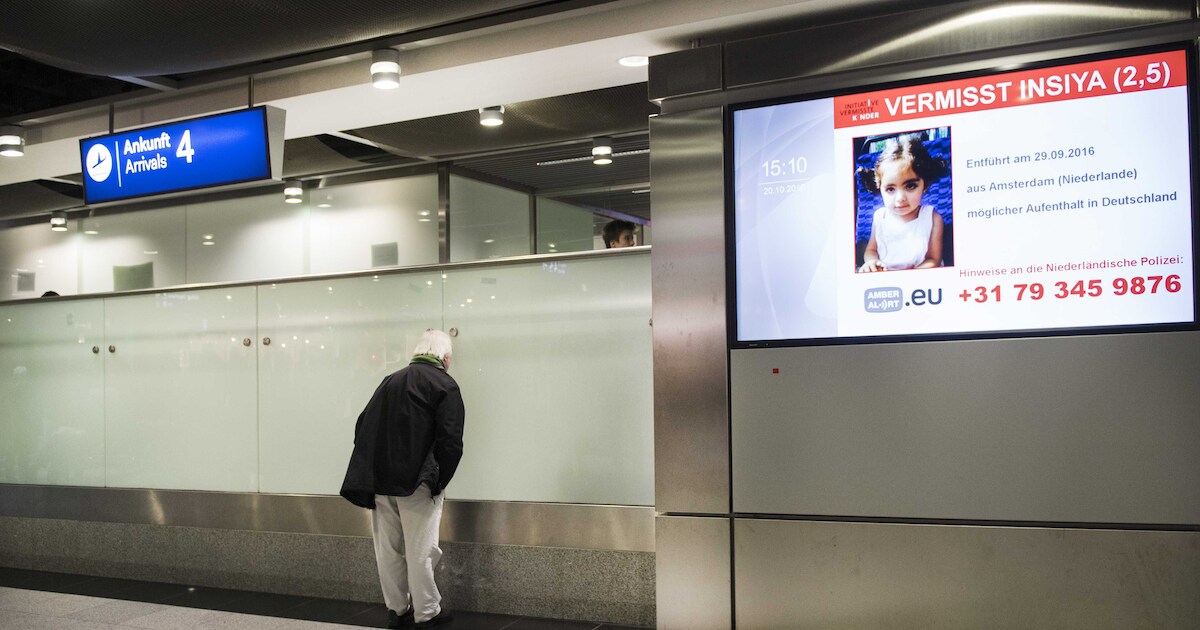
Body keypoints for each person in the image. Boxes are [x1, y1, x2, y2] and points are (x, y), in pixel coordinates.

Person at [341, 329, 464, 629]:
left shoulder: (389, 381)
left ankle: (397, 610)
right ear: (445, 358)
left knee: (389, 549)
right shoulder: (445, 385)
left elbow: (361, 425)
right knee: (421, 550)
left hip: (381, 481)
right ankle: (428, 612)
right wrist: (439, 479)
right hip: (418, 483)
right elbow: (451, 442)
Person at [857, 133, 945, 272]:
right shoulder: (880, 217)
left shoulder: (933, 217)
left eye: (910, 186)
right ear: (880, 188)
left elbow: (933, 260)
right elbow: (871, 250)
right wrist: (872, 262)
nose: (900, 198)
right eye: (890, 189)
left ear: (925, 185)